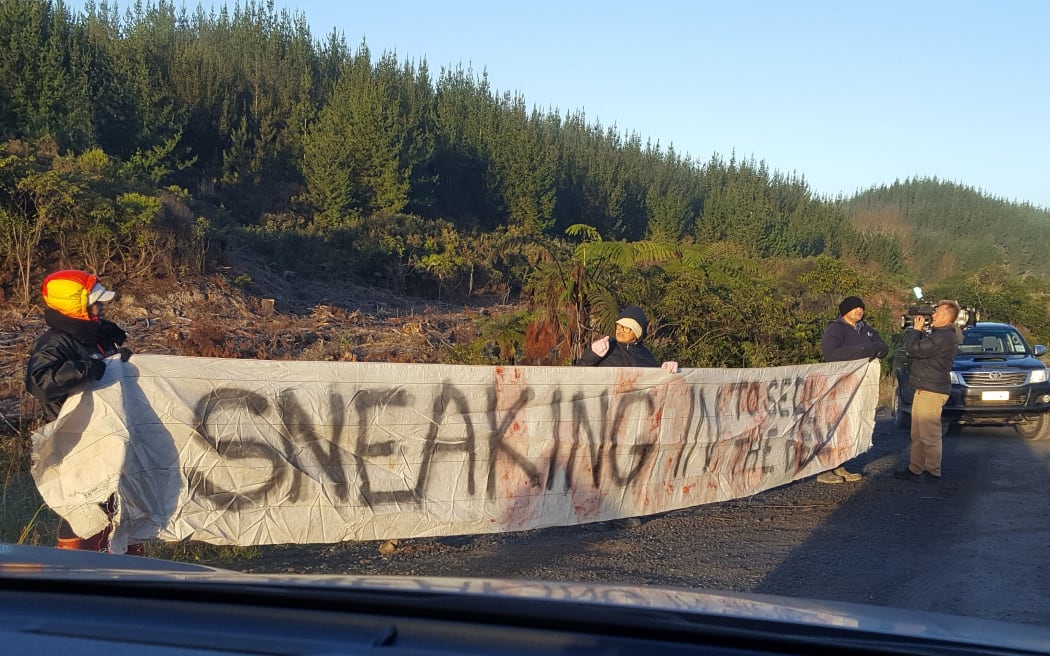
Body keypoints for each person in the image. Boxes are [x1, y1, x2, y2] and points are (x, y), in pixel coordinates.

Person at [24, 269, 135, 552]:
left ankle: (125, 573)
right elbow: (40, 382)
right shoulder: (55, 342)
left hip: (108, 436)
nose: (101, 307)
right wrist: (87, 369)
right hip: (75, 441)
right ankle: (70, 574)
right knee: (81, 507)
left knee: (118, 509)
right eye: (95, 302)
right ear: (76, 305)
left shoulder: (99, 336)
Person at [816, 295, 889, 484]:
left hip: (858, 387)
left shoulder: (866, 329)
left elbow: (883, 347)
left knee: (849, 426)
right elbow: (832, 354)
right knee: (833, 426)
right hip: (838, 385)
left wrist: (875, 348)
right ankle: (824, 468)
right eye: (855, 308)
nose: (859, 310)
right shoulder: (835, 329)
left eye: (861, 308)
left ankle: (840, 464)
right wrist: (867, 349)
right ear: (845, 311)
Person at [893, 299, 962, 484]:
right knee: (918, 433)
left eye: (937, 312)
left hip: (932, 390)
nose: (933, 315)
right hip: (924, 388)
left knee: (929, 433)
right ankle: (915, 468)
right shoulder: (939, 334)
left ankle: (933, 471)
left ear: (947, 316)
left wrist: (916, 331)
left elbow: (915, 350)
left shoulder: (943, 337)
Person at [574, 305, 678, 373]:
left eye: (627, 328)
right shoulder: (606, 347)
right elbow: (578, 373)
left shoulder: (647, 355)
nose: (620, 330)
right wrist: (592, 355)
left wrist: (665, 370)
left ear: (638, 333)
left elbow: (655, 386)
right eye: (619, 326)